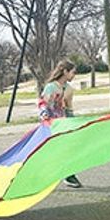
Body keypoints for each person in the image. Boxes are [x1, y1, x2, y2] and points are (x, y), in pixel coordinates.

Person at [38, 60, 82, 188]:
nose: (74, 75)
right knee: (51, 152)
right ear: (65, 72)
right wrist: (45, 118)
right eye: (72, 72)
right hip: (50, 124)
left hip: (63, 124)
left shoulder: (69, 89)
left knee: (68, 149)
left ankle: (69, 175)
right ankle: (42, 176)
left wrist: (73, 123)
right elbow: (43, 105)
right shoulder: (51, 87)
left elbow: (69, 107)